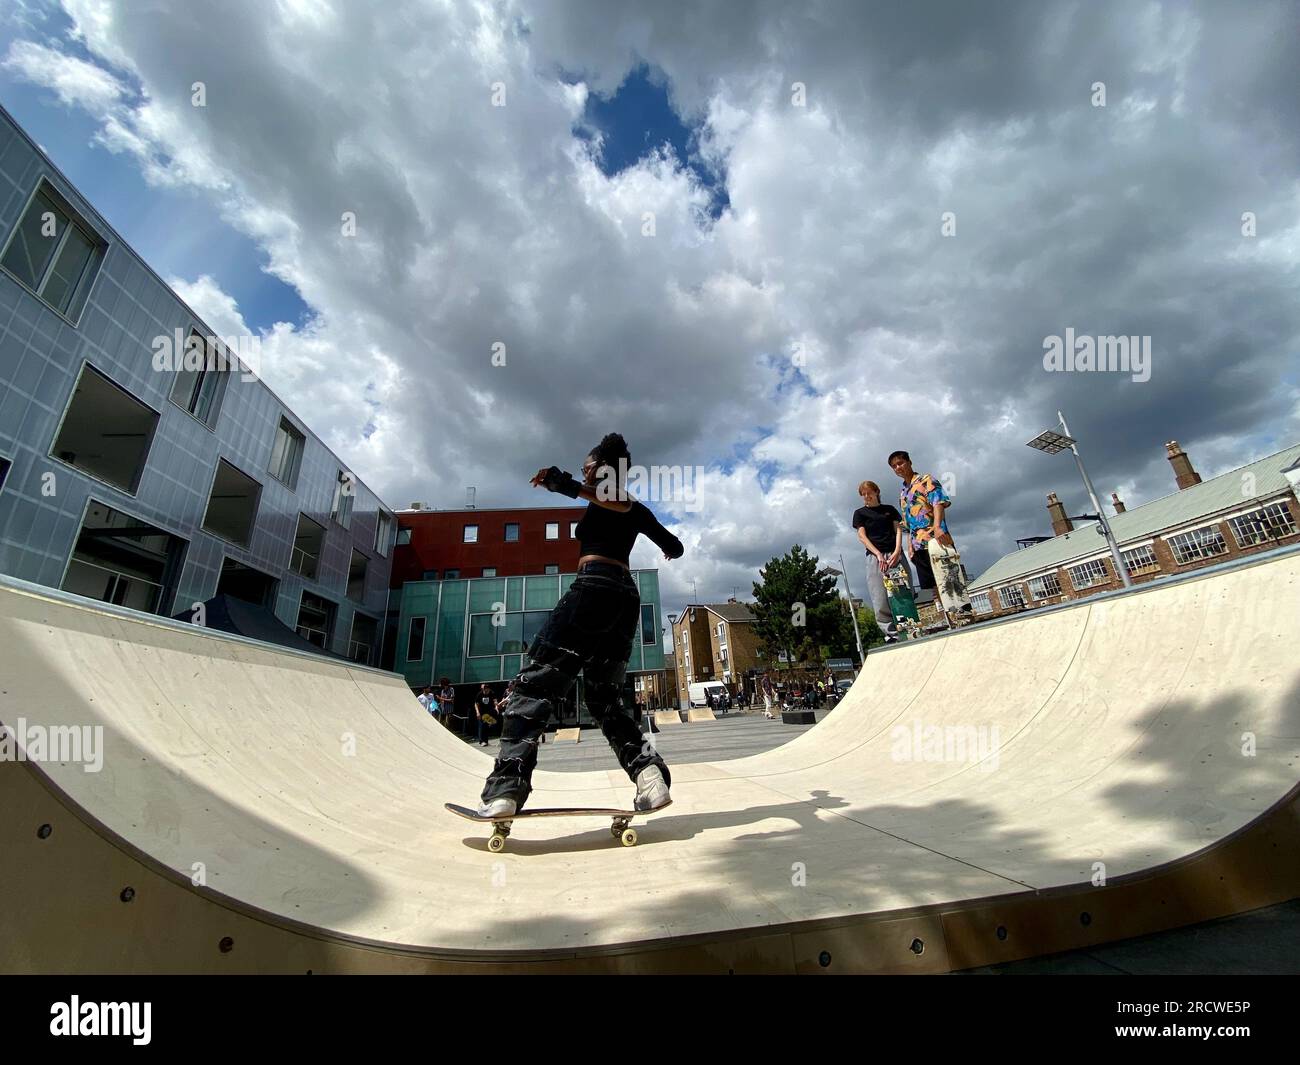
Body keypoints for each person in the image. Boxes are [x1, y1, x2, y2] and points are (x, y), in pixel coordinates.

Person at [477, 433, 684, 817]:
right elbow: (674, 544)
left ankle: (505, 790)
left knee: (533, 683)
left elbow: (611, 497)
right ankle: (649, 777)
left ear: (604, 471)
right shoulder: (635, 508)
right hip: (624, 599)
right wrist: (669, 548)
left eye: (589, 468)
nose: (585, 475)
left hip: (594, 589)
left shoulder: (616, 496)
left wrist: (565, 484)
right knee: (604, 700)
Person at [888, 450, 973, 625]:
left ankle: (964, 616)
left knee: (949, 577)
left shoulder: (926, 480)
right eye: (894, 466)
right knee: (934, 586)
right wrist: (909, 546)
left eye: (901, 463)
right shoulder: (903, 493)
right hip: (917, 543)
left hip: (935, 537)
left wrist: (938, 527)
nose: (899, 467)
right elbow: (907, 521)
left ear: (909, 462)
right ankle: (950, 620)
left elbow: (938, 503)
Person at [852, 479, 905, 642]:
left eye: (869, 492)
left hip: (895, 554)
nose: (867, 496)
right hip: (875, 557)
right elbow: (862, 536)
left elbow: (898, 530)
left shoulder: (889, 510)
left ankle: (907, 624)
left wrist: (897, 550)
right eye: (864, 494)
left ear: (877, 492)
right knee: (879, 594)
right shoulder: (860, 513)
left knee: (902, 590)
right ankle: (890, 632)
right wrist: (878, 554)